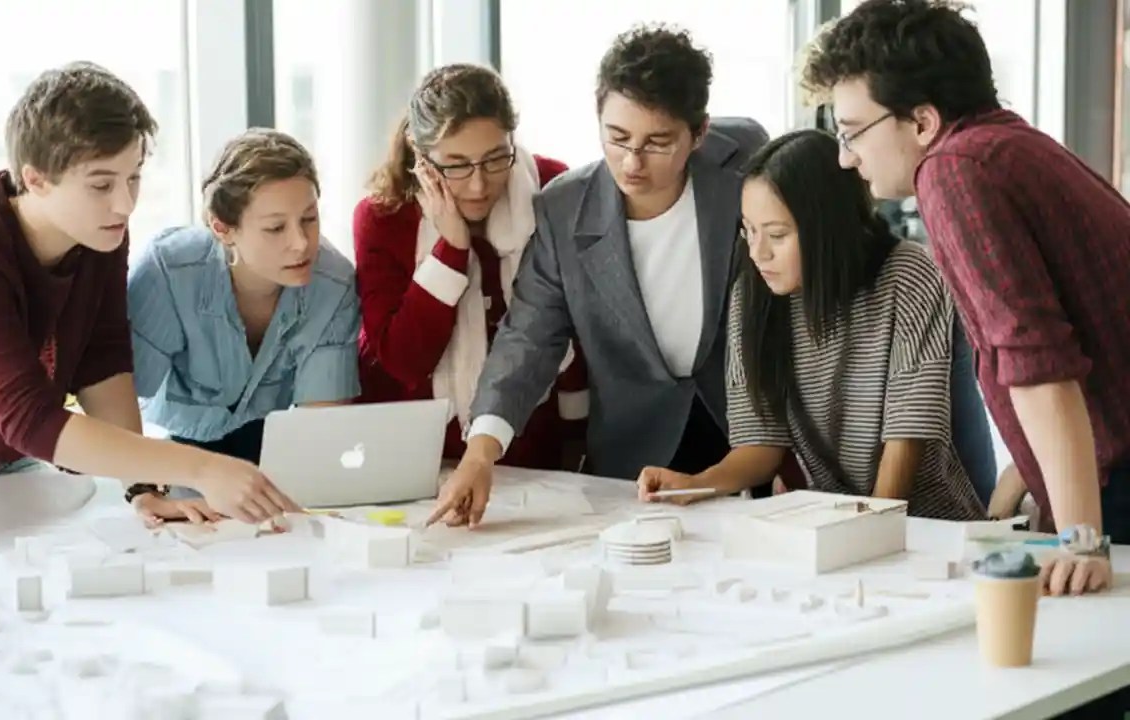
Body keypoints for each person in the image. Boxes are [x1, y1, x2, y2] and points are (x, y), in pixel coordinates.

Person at [0, 62, 297, 525]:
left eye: (134, 177)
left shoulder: (99, 232)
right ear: (36, 178)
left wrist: (141, 488)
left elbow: (100, 361)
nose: (125, 203)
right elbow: (29, 419)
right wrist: (203, 467)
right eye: (102, 184)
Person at [804, 0, 1130, 595]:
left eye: (852, 133)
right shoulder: (1006, 144)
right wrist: (1026, 475)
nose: (845, 157)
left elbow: (1040, 366)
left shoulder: (953, 171)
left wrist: (1081, 537)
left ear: (922, 122)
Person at [427, 25, 771, 528]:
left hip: (750, 441)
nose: (632, 162)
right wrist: (480, 453)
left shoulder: (745, 162)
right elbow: (528, 338)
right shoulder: (565, 210)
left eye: (657, 142)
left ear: (699, 133)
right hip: (636, 458)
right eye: (617, 137)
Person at [636, 129, 985, 521]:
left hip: (929, 526)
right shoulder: (751, 296)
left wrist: (870, 526)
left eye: (777, 235)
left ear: (827, 227)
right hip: (830, 524)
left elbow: (907, 438)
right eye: (748, 230)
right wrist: (695, 483)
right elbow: (760, 446)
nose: (758, 252)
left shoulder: (909, 275)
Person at [354, 64, 588, 471]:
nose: (479, 185)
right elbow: (404, 361)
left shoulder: (550, 186)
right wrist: (452, 249)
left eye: (496, 159)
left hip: (533, 445)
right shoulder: (384, 216)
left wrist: (578, 443)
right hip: (418, 453)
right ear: (419, 154)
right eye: (457, 165)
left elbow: (572, 325)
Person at [129, 129, 359, 515]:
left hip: (275, 457)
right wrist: (141, 491)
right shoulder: (167, 270)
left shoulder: (334, 283)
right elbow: (119, 403)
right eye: (275, 228)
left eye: (309, 218)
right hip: (170, 456)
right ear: (222, 228)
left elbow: (322, 426)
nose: (301, 243)